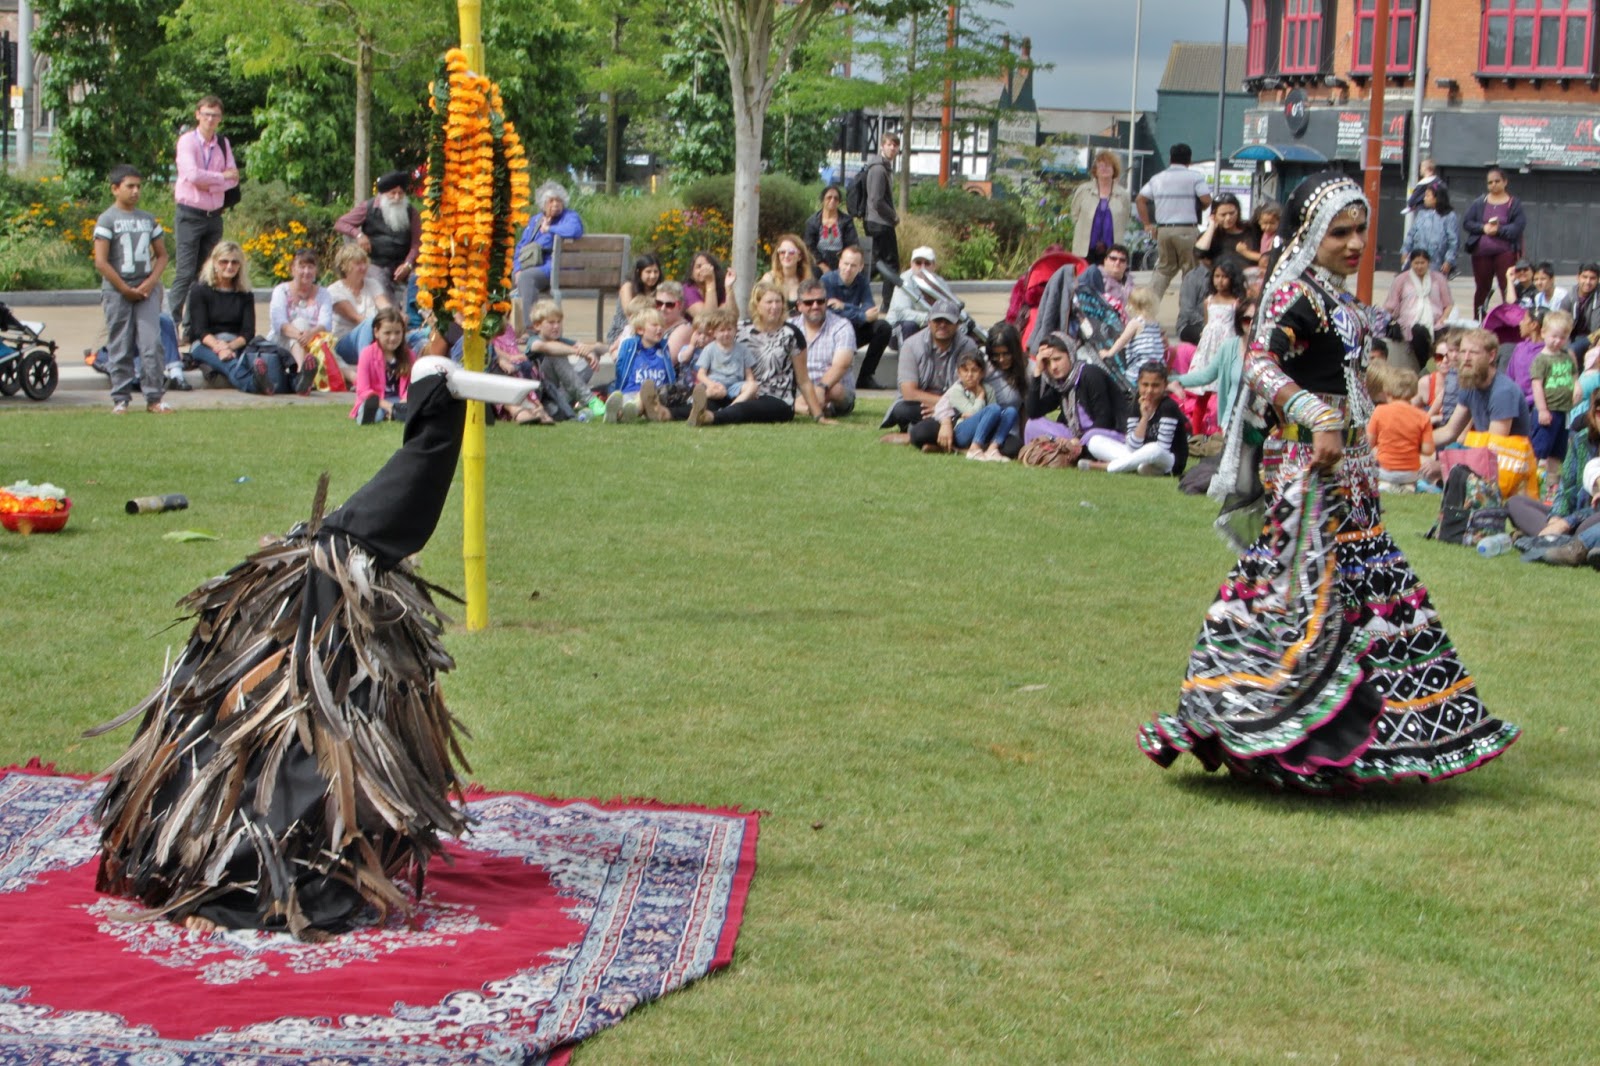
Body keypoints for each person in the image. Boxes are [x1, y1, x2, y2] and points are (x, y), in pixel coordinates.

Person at [89, 356, 531, 938]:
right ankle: (254, 867)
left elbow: (409, 498)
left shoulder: (369, 531)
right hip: (320, 607)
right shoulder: (349, 545)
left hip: (340, 580)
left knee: (330, 718)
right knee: (299, 739)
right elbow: (405, 498)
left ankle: (299, 849)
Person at [1138, 170, 1520, 791]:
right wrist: (1315, 415)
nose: (1353, 241)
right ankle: (1277, 728)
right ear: (1311, 232)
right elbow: (1261, 363)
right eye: (1339, 230)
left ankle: (1388, 734)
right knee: (1305, 597)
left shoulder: (1335, 295)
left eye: (1360, 229)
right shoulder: (1298, 295)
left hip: (1349, 473)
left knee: (1364, 594)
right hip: (1312, 471)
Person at [687, 281, 832, 427]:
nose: (774, 307)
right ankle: (666, 413)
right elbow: (728, 317)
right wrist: (729, 290)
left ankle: (709, 418)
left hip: (777, 398)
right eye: (769, 302)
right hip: (741, 391)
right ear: (757, 305)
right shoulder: (742, 330)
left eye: (778, 302)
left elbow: (804, 380)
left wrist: (818, 415)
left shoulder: (791, 334)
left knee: (744, 409)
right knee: (706, 401)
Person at [93, 164, 171, 415]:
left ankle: (154, 398)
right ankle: (121, 399)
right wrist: (124, 288)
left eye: (139, 186)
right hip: (117, 292)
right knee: (120, 344)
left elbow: (162, 256)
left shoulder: (147, 219)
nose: (136, 191)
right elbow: (101, 261)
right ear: (115, 189)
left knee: (151, 343)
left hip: (146, 290)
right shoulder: (107, 219)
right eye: (130, 186)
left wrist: (150, 282)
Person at [169, 95, 239, 338]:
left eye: (215, 115)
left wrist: (210, 182)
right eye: (207, 114)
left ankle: (192, 329)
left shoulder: (222, 143)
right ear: (197, 114)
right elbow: (192, 176)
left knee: (206, 274)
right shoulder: (187, 142)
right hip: (190, 214)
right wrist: (219, 178)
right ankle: (170, 326)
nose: (211, 119)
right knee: (185, 272)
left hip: (213, 216)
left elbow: (234, 178)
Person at [1506, 400, 1600, 566]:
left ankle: (1556, 542)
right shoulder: (1581, 440)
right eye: (1598, 412)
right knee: (1515, 503)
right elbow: (1567, 489)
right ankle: (1553, 539)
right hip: (1573, 517)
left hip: (1590, 519)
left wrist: (1567, 522)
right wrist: (1556, 518)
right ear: (1593, 414)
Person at [881, 299, 982, 448]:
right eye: (937, 320)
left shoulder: (968, 347)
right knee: (902, 410)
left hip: (957, 405)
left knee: (969, 413)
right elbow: (909, 393)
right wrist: (943, 405)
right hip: (923, 406)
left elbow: (971, 387)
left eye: (947, 321)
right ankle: (939, 431)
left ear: (957, 325)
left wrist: (944, 408)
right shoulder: (911, 345)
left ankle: (917, 434)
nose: (942, 324)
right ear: (929, 322)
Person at [1077, 361, 1188, 475]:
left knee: (1154, 449)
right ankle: (1140, 468)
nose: (1149, 390)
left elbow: (1163, 448)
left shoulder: (1168, 406)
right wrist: (1144, 418)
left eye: (1155, 385)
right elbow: (1132, 447)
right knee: (1095, 441)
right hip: (1141, 455)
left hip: (1168, 459)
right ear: (1138, 384)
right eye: (1145, 385)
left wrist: (1143, 454)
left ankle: (1108, 467)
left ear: (1165, 385)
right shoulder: (1137, 402)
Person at [1022, 331, 1126, 449]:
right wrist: (1037, 372)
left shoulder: (1090, 374)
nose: (1053, 367)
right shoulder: (1060, 384)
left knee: (1093, 437)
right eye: (1047, 363)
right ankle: (1069, 450)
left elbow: (1104, 420)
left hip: (1104, 434)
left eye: (1057, 359)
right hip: (1076, 437)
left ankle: (1072, 450)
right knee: (1032, 425)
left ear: (1070, 355)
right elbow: (1033, 412)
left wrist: (1078, 441)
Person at [1135, 143, 1211, 302]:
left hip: (1163, 230)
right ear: (1189, 160)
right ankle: (1188, 309)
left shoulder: (1157, 178)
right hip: (1186, 230)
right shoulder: (1195, 177)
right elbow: (1206, 199)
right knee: (1191, 271)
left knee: (1163, 270)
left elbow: (1140, 200)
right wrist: (1200, 206)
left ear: (1170, 158)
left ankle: (1146, 310)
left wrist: (1148, 224)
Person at [187, 241, 265, 394]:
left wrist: (228, 347)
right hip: (205, 344)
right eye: (224, 261)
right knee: (229, 362)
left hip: (234, 343)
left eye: (234, 262)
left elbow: (248, 332)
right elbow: (199, 330)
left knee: (231, 358)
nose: (229, 266)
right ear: (214, 263)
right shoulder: (199, 290)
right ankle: (253, 384)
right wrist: (218, 347)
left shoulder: (245, 294)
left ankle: (260, 383)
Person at [334, 171, 421, 303]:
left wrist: (408, 264)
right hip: (376, 262)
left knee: (419, 280)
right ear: (383, 194)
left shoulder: (411, 212)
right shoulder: (367, 207)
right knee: (379, 285)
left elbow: (417, 243)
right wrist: (359, 234)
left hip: (403, 263)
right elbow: (340, 223)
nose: (397, 198)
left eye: (400, 193)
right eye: (393, 193)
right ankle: (390, 318)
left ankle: (413, 320)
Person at [1182, 259, 1244, 436]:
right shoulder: (1208, 301)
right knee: (1203, 393)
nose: (1220, 281)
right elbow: (1207, 326)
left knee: (1227, 390)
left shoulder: (1236, 303)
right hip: (1209, 351)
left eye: (1225, 277)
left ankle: (1225, 431)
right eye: (1217, 276)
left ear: (1232, 279)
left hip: (1227, 349)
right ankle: (1196, 433)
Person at [822, 245, 893, 391]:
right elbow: (830, 314)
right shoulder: (826, 281)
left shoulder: (862, 281)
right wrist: (859, 314)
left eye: (853, 265)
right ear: (839, 263)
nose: (848, 269)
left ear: (860, 267)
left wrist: (844, 306)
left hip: (853, 330)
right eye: (846, 264)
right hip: (831, 334)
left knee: (883, 327)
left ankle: (865, 377)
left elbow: (870, 311)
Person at [525, 300, 605, 421]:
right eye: (551, 323)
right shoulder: (533, 341)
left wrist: (590, 351)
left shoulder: (560, 340)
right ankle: (590, 400)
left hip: (563, 392)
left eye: (558, 322)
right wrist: (576, 351)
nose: (556, 326)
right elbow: (544, 347)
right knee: (554, 354)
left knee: (594, 354)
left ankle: (583, 400)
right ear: (537, 326)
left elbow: (603, 348)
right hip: (542, 395)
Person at [265, 248, 331, 395]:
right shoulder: (281, 291)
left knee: (334, 358)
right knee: (300, 322)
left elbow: (326, 323)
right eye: (302, 266)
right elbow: (279, 323)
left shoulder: (324, 294)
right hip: (282, 341)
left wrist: (310, 334)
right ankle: (303, 373)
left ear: (316, 270)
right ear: (292, 269)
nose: (306, 271)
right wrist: (301, 334)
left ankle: (303, 377)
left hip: (313, 342)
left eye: (310, 267)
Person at [1463, 167, 1527, 317]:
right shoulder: (1479, 202)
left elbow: (1518, 226)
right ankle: (1479, 319)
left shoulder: (1514, 203)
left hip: (1505, 253)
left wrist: (1499, 230)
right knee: (1482, 288)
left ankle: (1510, 320)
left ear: (1505, 182)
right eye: (1490, 182)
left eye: (1497, 181)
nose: (1493, 185)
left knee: (1507, 287)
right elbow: (1467, 223)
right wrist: (1483, 228)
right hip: (1481, 254)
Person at [514, 181, 584, 316]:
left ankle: (531, 329)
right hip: (535, 266)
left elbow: (574, 230)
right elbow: (522, 246)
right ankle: (508, 329)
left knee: (527, 278)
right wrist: (517, 269)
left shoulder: (570, 216)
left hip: (557, 267)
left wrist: (549, 229)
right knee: (510, 277)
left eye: (558, 201)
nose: (555, 204)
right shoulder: (536, 220)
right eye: (551, 201)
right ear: (543, 204)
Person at [791, 277, 857, 416]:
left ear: (826, 302)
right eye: (809, 302)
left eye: (820, 301)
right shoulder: (790, 327)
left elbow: (841, 365)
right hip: (800, 389)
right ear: (799, 306)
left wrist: (821, 388)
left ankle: (797, 407)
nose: (815, 306)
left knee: (837, 390)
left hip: (830, 389)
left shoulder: (842, 326)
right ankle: (813, 408)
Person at [1365, 363, 1435, 492]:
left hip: (1384, 471)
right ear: (1414, 392)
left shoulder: (1379, 411)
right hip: (1411, 473)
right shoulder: (1422, 416)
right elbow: (1428, 450)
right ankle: (1408, 487)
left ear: (1387, 390)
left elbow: (1368, 444)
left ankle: (1385, 486)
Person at [1530, 309, 1581, 485]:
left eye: (1563, 337)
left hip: (1564, 410)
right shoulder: (1541, 360)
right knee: (1540, 448)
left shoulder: (1567, 356)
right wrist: (1542, 409)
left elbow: (1574, 375)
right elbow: (1537, 385)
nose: (1558, 341)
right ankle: (1532, 481)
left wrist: (1577, 387)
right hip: (1548, 411)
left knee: (1558, 452)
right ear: (1543, 333)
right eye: (1554, 336)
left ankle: (1552, 484)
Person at [935, 352, 1016, 462]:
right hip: (962, 431)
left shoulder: (988, 389)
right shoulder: (957, 391)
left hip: (985, 429)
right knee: (994, 408)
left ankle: (992, 449)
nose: (969, 375)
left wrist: (986, 412)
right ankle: (974, 448)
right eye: (965, 371)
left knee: (1011, 411)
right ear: (959, 373)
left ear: (982, 373)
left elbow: (993, 415)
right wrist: (980, 396)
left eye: (974, 370)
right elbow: (973, 412)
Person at [1383, 249, 1454, 367]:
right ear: (1411, 263)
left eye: (1422, 263)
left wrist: (1444, 318)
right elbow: (1391, 305)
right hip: (1409, 324)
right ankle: (1425, 366)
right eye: (1416, 263)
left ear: (1428, 263)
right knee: (1418, 331)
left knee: (1442, 337)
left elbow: (1448, 304)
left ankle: (1440, 366)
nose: (1419, 266)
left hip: (1436, 322)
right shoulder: (1401, 279)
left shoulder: (1439, 279)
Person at [605, 307, 674, 423]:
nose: (660, 329)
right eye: (654, 325)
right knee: (624, 399)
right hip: (630, 392)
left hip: (655, 395)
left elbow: (669, 375)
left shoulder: (663, 349)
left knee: (643, 398)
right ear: (640, 330)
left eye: (662, 326)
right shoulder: (630, 347)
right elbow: (621, 369)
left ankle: (625, 414)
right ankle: (618, 413)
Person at [328, 242, 393, 366]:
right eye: (358, 264)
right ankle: (367, 368)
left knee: (419, 336)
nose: (363, 267)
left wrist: (396, 317)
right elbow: (356, 318)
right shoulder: (334, 290)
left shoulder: (372, 284)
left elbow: (384, 306)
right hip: (345, 343)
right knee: (368, 323)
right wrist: (386, 327)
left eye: (364, 263)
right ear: (344, 266)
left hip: (377, 334)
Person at [886, 245, 963, 346]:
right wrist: (930, 318)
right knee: (909, 325)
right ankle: (907, 358)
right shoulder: (904, 282)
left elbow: (950, 307)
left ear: (934, 266)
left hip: (927, 326)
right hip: (896, 329)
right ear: (911, 264)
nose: (922, 267)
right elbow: (901, 314)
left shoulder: (940, 283)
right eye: (918, 263)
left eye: (927, 263)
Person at [351, 307, 413, 424]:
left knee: (414, 408)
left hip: (398, 399)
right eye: (387, 333)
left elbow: (411, 385)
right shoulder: (367, 354)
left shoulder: (409, 355)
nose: (393, 338)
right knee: (376, 412)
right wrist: (388, 406)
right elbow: (363, 389)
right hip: (375, 400)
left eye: (397, 332)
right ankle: (370, 415)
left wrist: (403, 402)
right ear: (376, 332)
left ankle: (396, 414)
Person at [861, 132, 901, 311]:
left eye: (895, 145)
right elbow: (876, 200)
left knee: (875, 263)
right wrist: (893, 216)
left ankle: (859, 294)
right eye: (889, 144)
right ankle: (887, 303)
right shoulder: (878, 169)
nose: (892, 148)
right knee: (890, 264)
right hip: (880, 223)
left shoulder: (883, 167)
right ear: (882, 146)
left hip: (876, 221)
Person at [1069, 150, 1133, 261]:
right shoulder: (1083, 190)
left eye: (1108, 166)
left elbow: (1126, 218)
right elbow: (1074, 215)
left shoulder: (1123, 195)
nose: (1104, 168)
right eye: (1101, 166)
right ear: (1095, 170)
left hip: (1112, 250)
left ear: (1114, 170)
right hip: (1085, 249)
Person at [693, 306, 756, 412]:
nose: (726, 333)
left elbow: (749, 374)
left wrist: (751, 387)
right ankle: (696, 400)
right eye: (722, 330)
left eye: (729, 329)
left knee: (753, 386)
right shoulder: (710, 349)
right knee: (717, 392)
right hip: (717, 384)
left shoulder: (742, 349)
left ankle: (732, 408)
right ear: (713, 333)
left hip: (735, 385)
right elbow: (701, 374)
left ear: (735, 330)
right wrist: (711, 384)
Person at [1102, 285, 1165, 390]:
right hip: (1158, 364)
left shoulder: (1136, 322)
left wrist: (1109, 353)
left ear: (1134, 306)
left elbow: (1122, 340)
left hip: (1141, 365)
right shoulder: (1155, 323)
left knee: (1125, 381)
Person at [1398, 183, 1459, 278]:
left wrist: (1449, 261)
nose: (1424, 198)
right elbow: (1411, 234)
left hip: (1436, 263)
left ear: (1436, 198)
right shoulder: (1422, 214)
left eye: (1427, 196)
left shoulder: (1449, 216)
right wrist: (1405, 251)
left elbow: (1453, 242)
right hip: (1417, 260)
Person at [803, 184, 860, 275]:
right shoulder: (812, 222)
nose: (832, 200)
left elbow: (852, 244)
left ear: (839, 202)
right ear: (823, 200)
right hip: (819, 262)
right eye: (829, 197)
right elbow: (809, 246)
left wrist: (843, 262)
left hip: (841, 261)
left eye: (836, 198)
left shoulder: (846, 221)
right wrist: (822, 265)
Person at [609, 254, 663, 343]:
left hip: (651, 331)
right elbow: (629, 314)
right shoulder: (628, 287)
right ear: (639, 272)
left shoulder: (660, 289)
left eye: (656, 272)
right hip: (625, 328)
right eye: (648, 272)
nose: (653, 276)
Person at [758, 233, 814, 311]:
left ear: (800, 256)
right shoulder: (769, 279)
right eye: (782, 252)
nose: (786, 255)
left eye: (791, 252)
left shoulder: (808, 281)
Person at [1192, 192, 1250, 268]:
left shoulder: (1250, 230)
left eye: (1232, 213)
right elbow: (1199, 253)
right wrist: (1211, 227)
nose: (1228, 218)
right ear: (1214, 215)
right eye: (1223, 215)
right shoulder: (1211, 236)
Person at [1570, 263, 1600, 366]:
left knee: (1573, 349)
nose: (1588, 282)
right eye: (1584, 277)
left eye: (1592, 278)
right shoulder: (1569, 297)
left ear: (1598, 280)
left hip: (1594, 336)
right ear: (1578, 277)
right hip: (1571, 336)